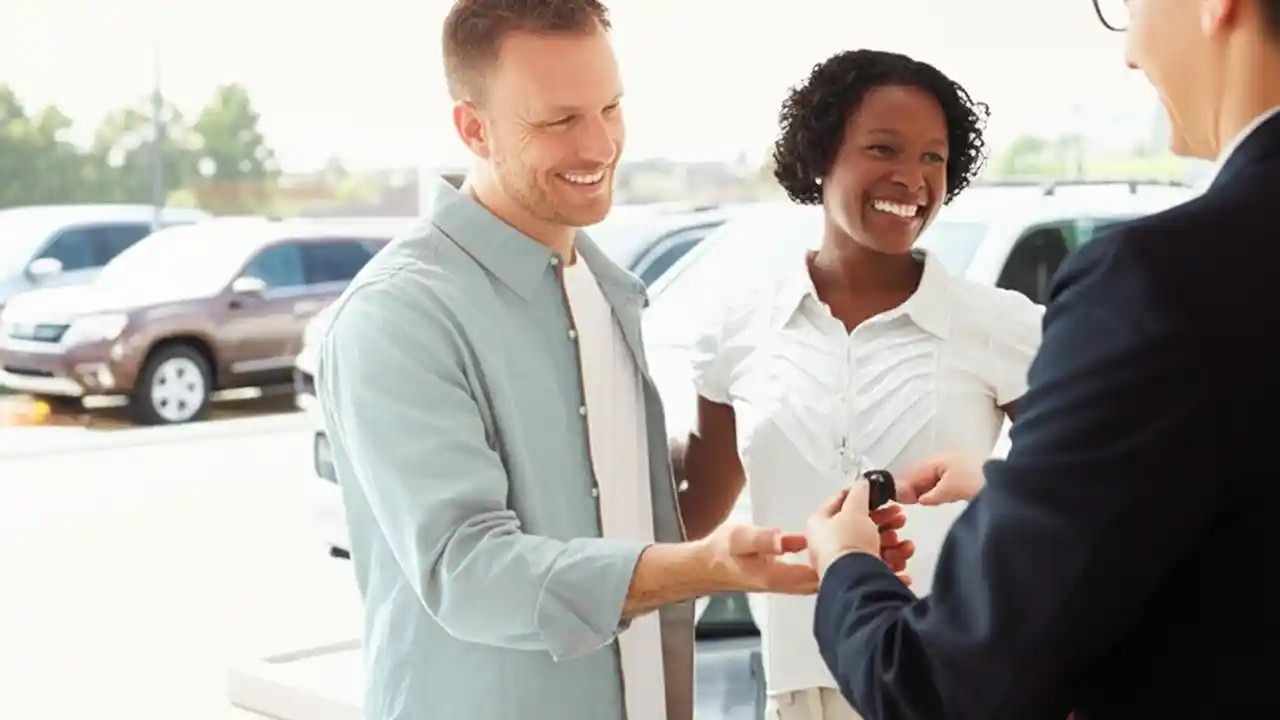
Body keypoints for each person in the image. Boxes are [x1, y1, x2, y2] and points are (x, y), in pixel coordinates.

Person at [314, 2, 821, 719]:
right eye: (559, 121)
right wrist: (705, 566)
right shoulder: (398, 315)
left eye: (610, 108)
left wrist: (756, 410)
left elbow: (629, 518)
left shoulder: (604, 287)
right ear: (473, 128)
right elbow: (470, 572)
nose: (599, 146)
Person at [805, 0, 1280, 717]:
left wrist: (846, 567)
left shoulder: (1160, 283)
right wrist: (1019, 489)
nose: (1129, 51)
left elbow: (940, 684)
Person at [676, 49, 1044, 720]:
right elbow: (685, 526)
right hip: (793, 693)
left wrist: (993, 481)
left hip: (950, 690)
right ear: (820, 156)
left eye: (934, 157)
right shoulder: (740, 328)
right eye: (883, 148)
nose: (911, 178)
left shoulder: (998, 325)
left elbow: (1085, 496)